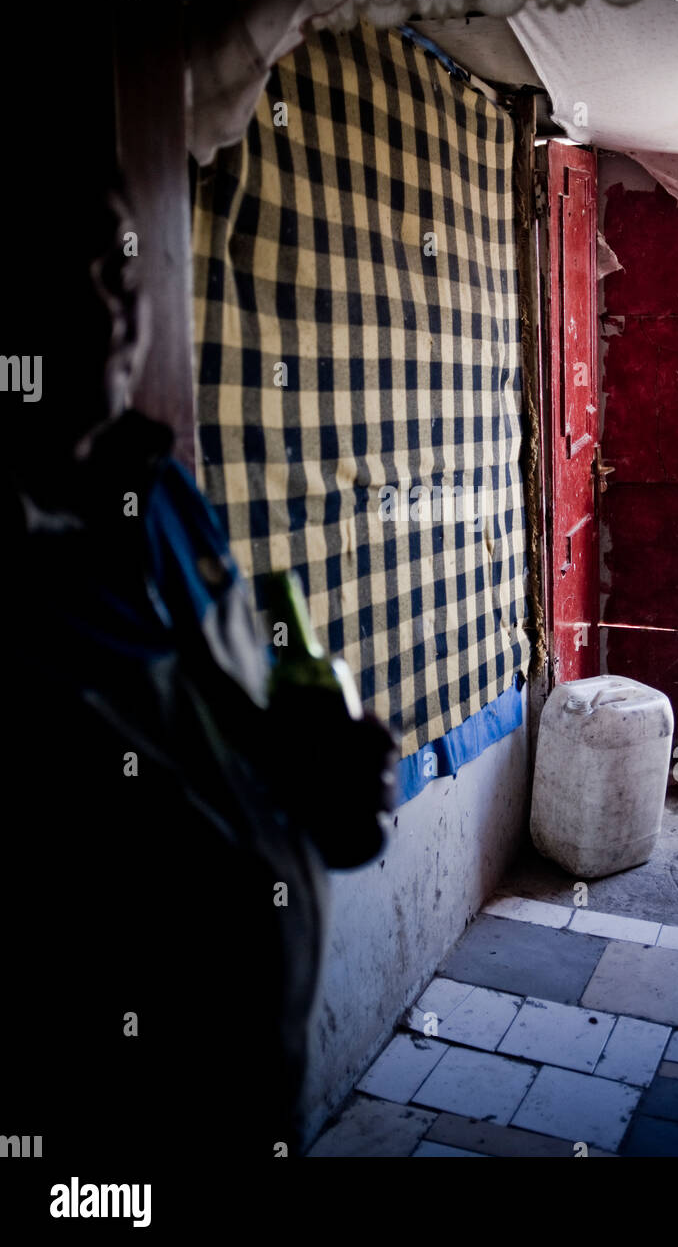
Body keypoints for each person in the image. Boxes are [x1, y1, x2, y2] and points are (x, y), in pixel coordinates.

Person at [1, 182, 398, 1188]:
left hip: (258, 1080)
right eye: (76, 273)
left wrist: (326, 780)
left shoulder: (166, 490)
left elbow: (243, 738)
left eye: (126, 273)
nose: (116, 305)